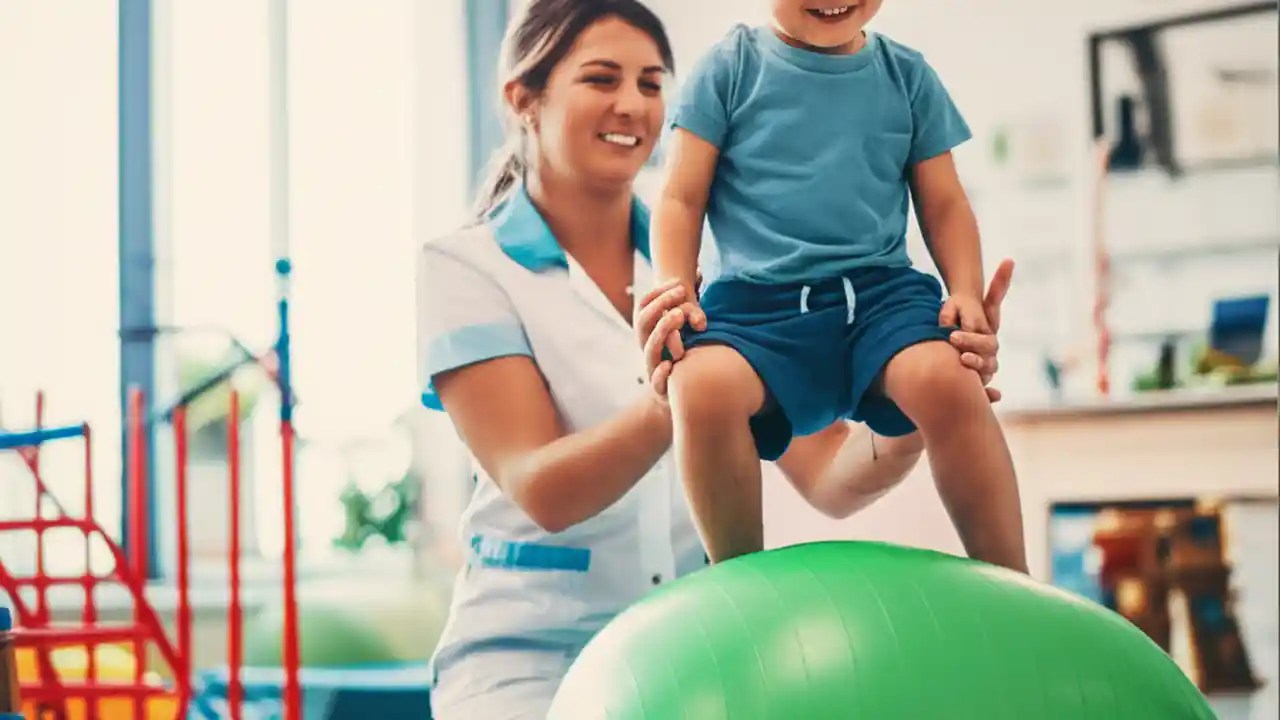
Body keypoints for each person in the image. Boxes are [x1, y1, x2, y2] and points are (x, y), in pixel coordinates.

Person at [416, 1, 1010, 717]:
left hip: (688, 644)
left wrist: (925, 394)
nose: (633, 106)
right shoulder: (466, 265)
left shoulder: (727, 264)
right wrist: (683, 391)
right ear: (525, 99)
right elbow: (541, 490)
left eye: (650, 82)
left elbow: (828, 478)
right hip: (531, 660)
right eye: (601, 80)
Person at [650, 0, 1028, 571]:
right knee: (698, 386)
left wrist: (965, 292)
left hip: (880, 297)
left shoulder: (907, 76)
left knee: (949, 378)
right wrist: (674, 290)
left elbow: (946, 203)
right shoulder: (729, 67)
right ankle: (734, 581)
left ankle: (1012, 582)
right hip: (758, 306)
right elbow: (680, 197)